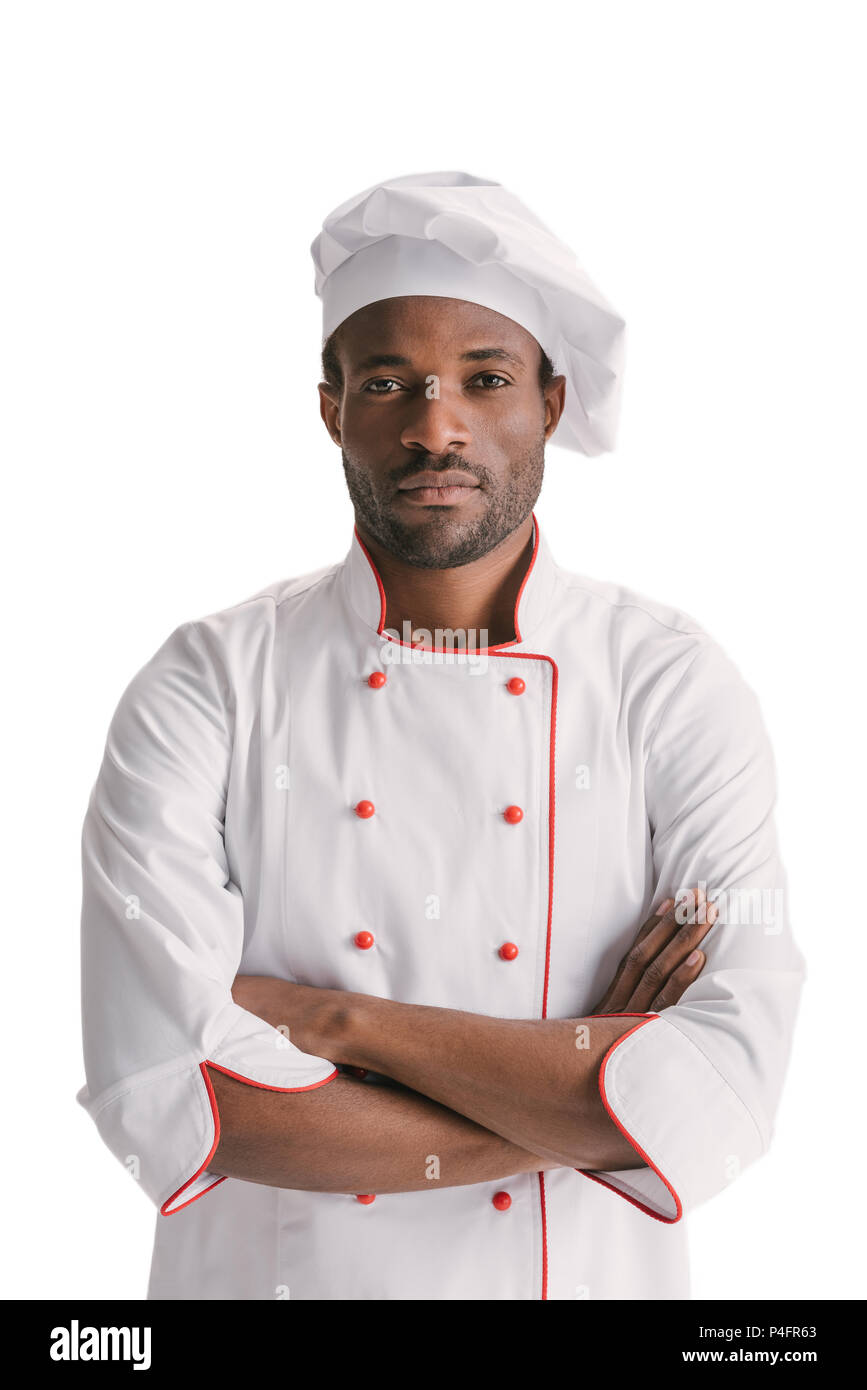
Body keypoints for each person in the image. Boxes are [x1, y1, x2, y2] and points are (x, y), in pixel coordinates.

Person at [76, 171, 805, 1300]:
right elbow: (183, 1097)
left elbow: (729, 1080)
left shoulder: (669, 681)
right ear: (331, 408)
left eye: (485, 378)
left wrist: (335, 1020)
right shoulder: (209, 681)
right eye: (387, 382)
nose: (435, 426)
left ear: (550, 404)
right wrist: (608, 1104)